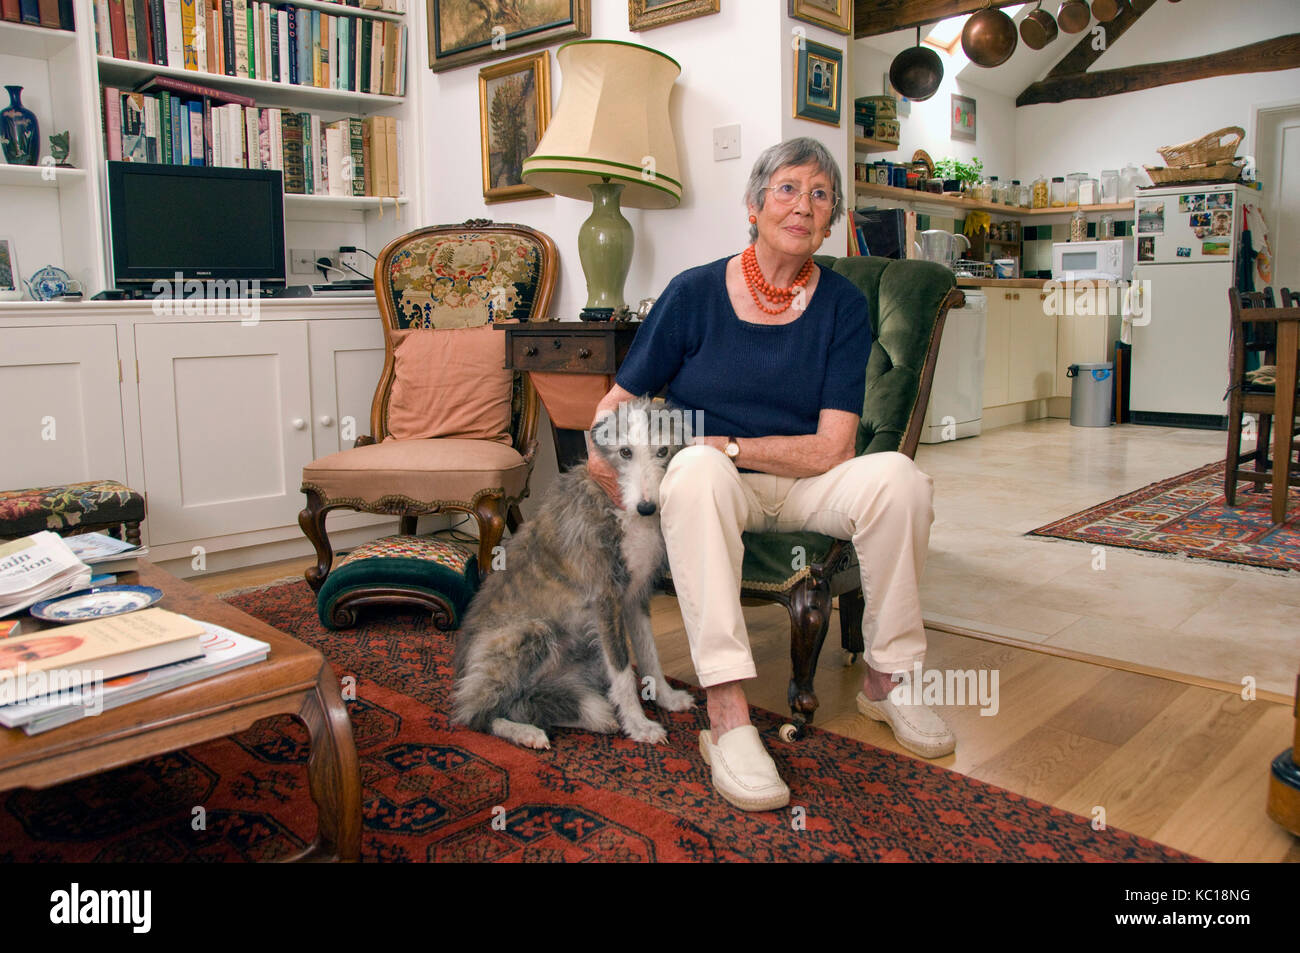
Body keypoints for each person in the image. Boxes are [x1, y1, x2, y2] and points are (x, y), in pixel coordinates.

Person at [586, 137, 953, 812]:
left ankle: (887, 679)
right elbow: (616, 404)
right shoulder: (693, 292)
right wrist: (602, 449)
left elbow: (833, 449)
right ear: (754, 206)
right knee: (692, 469)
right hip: (720, 488)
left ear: (831, 218)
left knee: (901, 478)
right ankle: (726, 713)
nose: (803, 205)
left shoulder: (842, 303)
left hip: (810, 485)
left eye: (820, 195)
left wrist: (722, 442)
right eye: (787, 188)